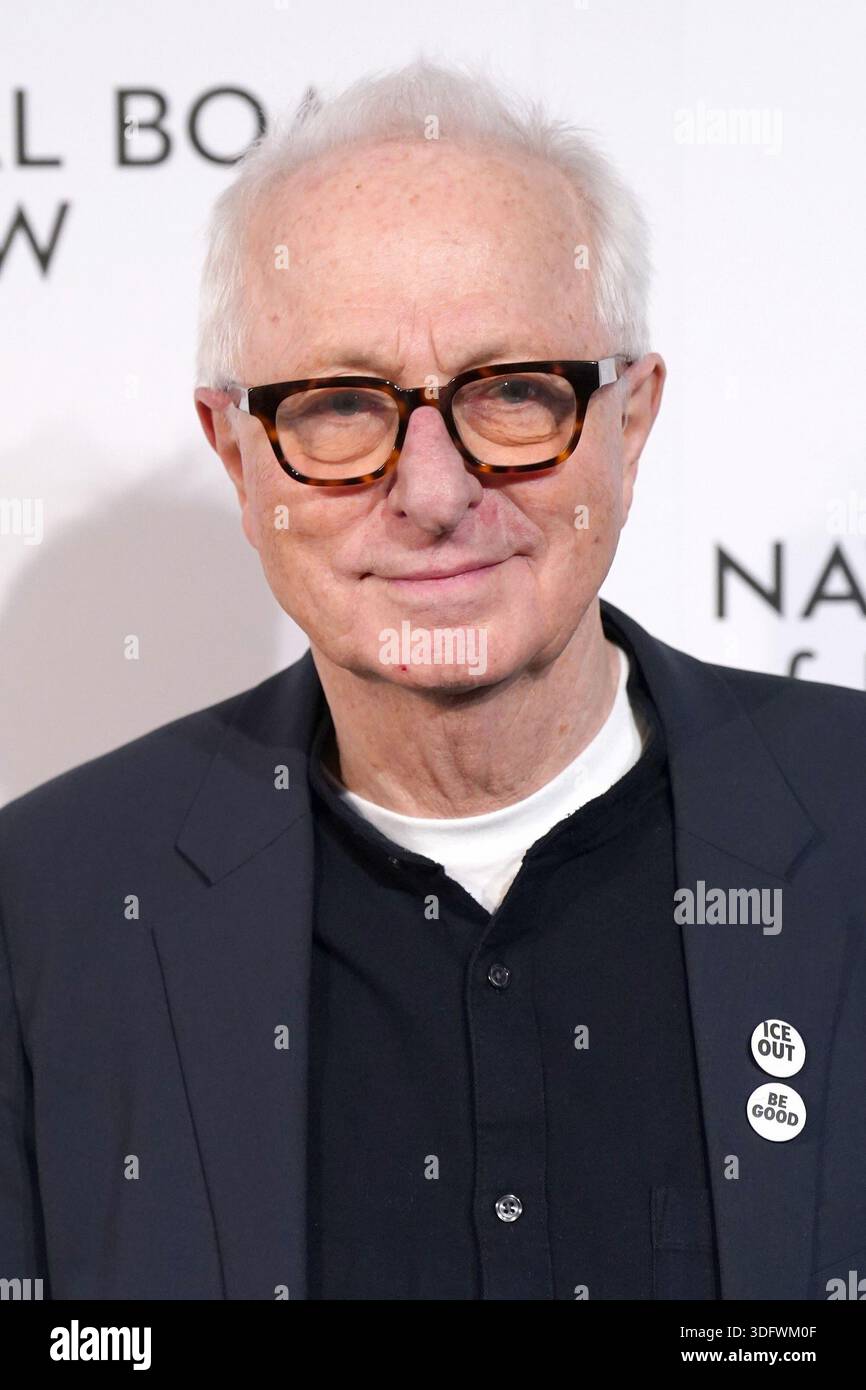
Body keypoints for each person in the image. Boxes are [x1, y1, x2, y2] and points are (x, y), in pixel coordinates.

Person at [1, 59, 864, 1302]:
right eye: (340, 408)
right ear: (238, 457)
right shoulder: (48, 915)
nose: (433, 493)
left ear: (630, 423)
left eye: (513, 393)